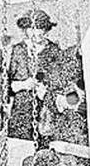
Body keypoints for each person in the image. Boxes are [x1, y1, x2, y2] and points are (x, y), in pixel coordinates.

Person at [6, 9, 84, 143]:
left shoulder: (54, 50)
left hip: (46, 111)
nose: (36, 33)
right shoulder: (18, 50)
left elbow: (62, 82)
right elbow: (7, 85)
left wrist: (45, 90)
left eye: (40, 28)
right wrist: (23, 84)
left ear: (46, 30)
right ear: (25, 29)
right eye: (31, 28)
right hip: (21, 110)